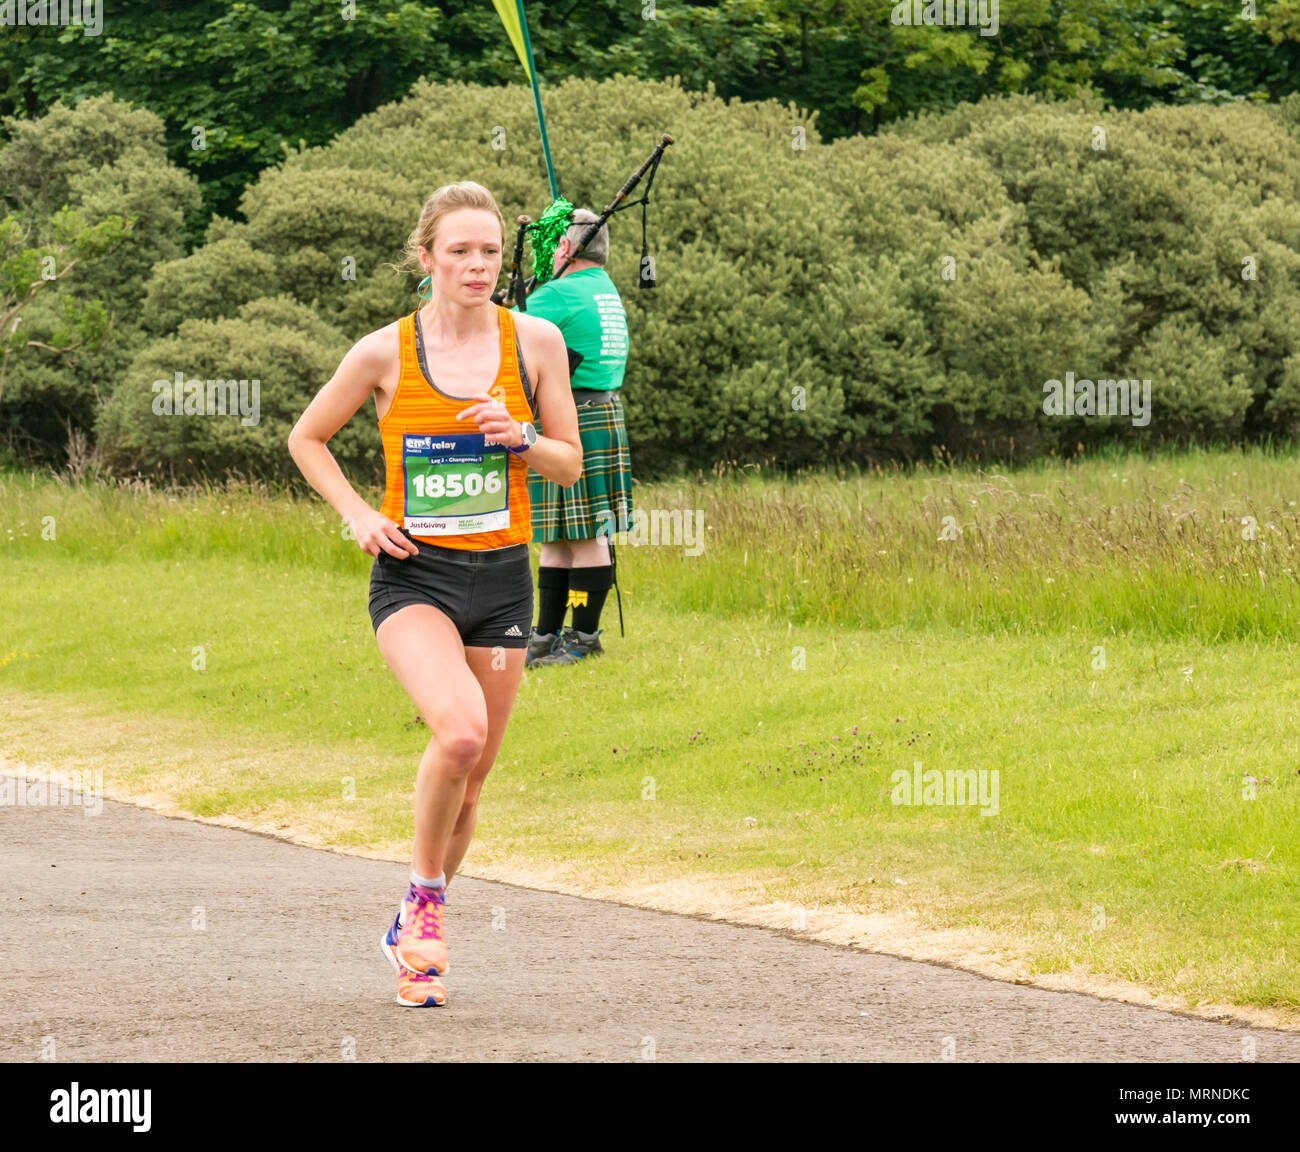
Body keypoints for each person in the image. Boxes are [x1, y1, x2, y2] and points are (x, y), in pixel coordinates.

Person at [287, 181, 581, 1006]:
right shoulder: (385, 351)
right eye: (460, 251)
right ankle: (423, 903)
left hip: (503, 580)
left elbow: (570, 461)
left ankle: (415, 949)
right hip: (415, 576)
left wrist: (520, 438)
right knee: (457, 735)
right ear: (426, 260)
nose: (478, 265)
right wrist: (355, 514)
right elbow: (306, 437)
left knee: (475, 777)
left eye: (490, 251)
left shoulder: (537, 342)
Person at [516, 207, 633, 667]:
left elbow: (500, 327)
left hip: (575, 417)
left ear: (565, 248)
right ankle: (546, 635)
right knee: (558, 537)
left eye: (554, 244)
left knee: (585, 537)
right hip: (596, 413)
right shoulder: (605, 289)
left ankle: (583, 638)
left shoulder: (560, 294)